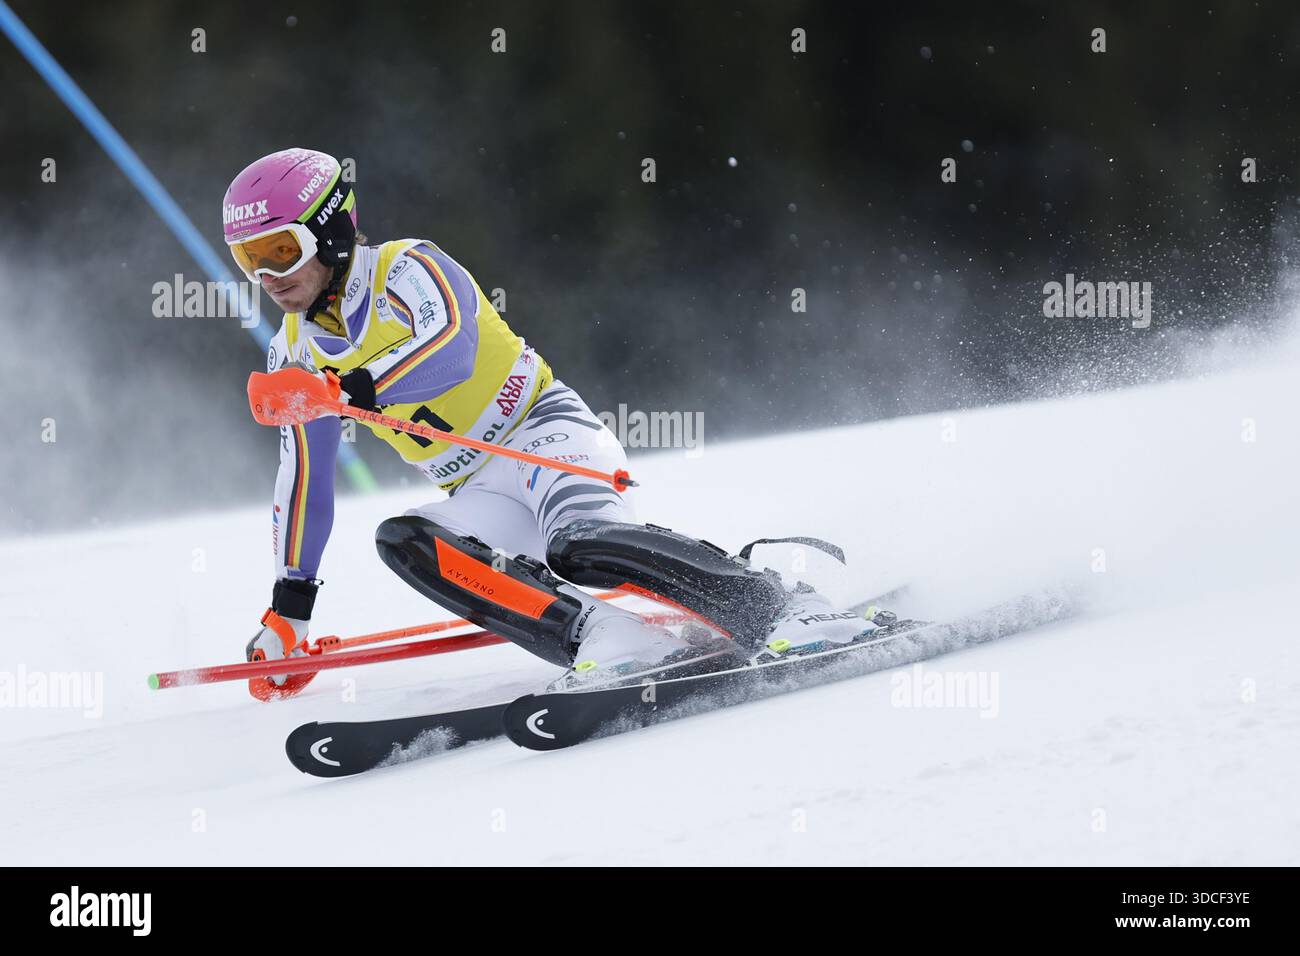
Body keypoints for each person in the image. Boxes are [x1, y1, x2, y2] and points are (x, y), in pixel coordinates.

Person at [221, 147, 872, 700]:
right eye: (250, 259)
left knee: (582, 548)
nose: (268, 277)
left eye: (281, 250)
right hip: (478, 489)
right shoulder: (292, 353)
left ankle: (785, 604)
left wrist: (343, 389)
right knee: (404, 540)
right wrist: (289, 611)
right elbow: (304, 481)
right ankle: (615, 640)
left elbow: (452, 350)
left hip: (546, 435)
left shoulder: (408, 268)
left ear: (332, 230)